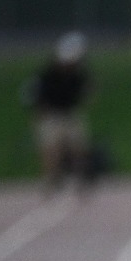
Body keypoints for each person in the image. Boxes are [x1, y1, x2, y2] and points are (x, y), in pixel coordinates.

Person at [29, 32, 92, 192]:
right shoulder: (48, 74)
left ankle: (81, 179)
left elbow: (85, 93)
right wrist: (40, 114)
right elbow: (37, 96)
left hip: (70, 113)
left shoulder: (77, 74)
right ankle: (51, 180)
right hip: (51, 115)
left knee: (79, 147)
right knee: (51, 150)